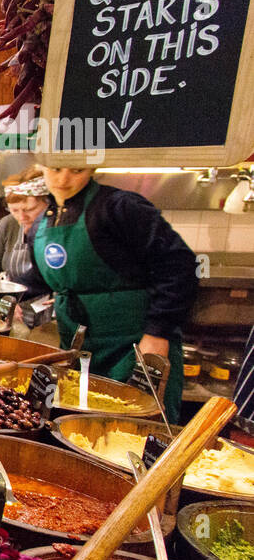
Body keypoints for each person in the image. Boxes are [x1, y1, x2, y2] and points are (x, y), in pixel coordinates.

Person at [21, 166, 197, 421]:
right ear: (41, 167)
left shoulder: (121, 207)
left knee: (135, 431)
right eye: (56, 169)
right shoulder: (44, 221)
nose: (63, 179)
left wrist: (158, 331)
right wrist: (12, 297)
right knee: (81, 429)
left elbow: (179, 264)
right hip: (79, 348)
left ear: (92, 167)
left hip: (133, 346)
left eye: (76, 170)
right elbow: (43, 277)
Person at [0, 168, 48, 282]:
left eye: (29, 210)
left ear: (47, 204)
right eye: (14, 210)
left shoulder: (58, 228)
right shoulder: (7, 224)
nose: (22, 217)